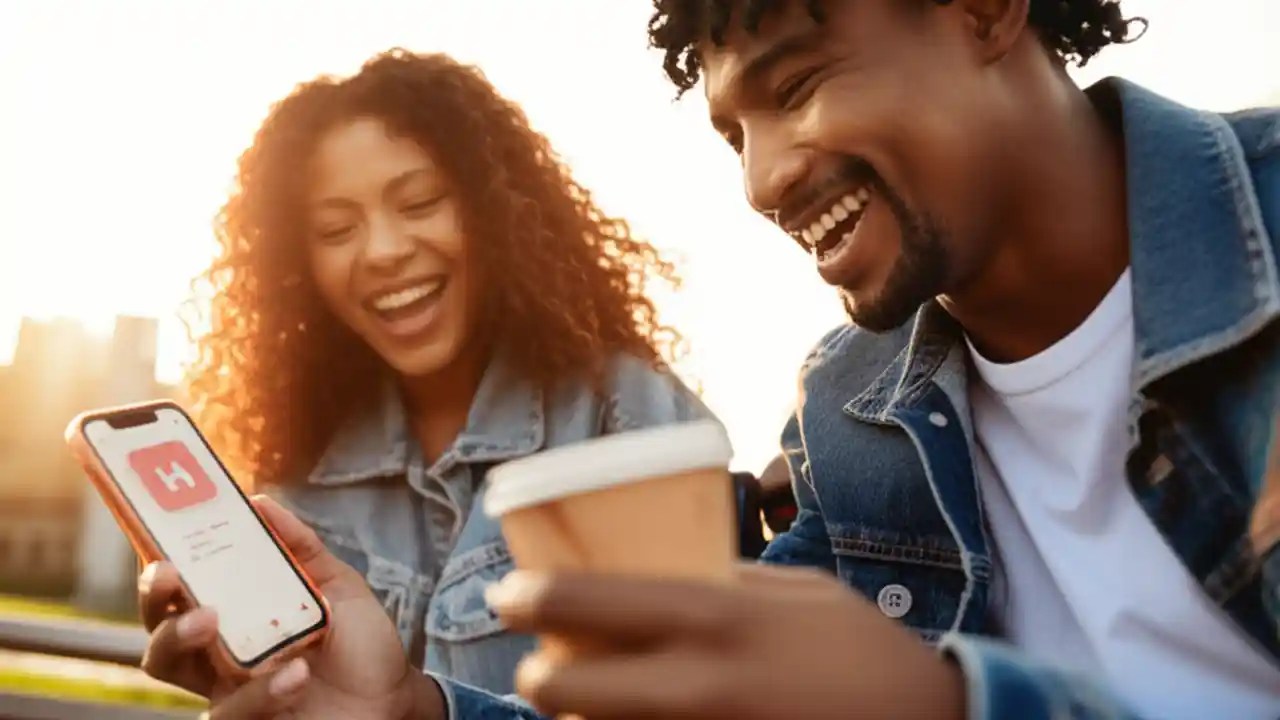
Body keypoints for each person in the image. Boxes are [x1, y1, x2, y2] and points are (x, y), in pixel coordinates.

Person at [146, 0, 1280, 717]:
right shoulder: (848, 410)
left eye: (797, 88)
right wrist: (407, 711)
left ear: (982, 9)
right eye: (734, 135)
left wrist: (946, 706)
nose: (762, 179)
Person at [135, 48, 719, 717]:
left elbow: (695, 694)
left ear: (496, 214)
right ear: (300, 265)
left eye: (419, 203)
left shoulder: (629, 416)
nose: (384, 250)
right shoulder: (292, 482)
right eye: (336, 229)